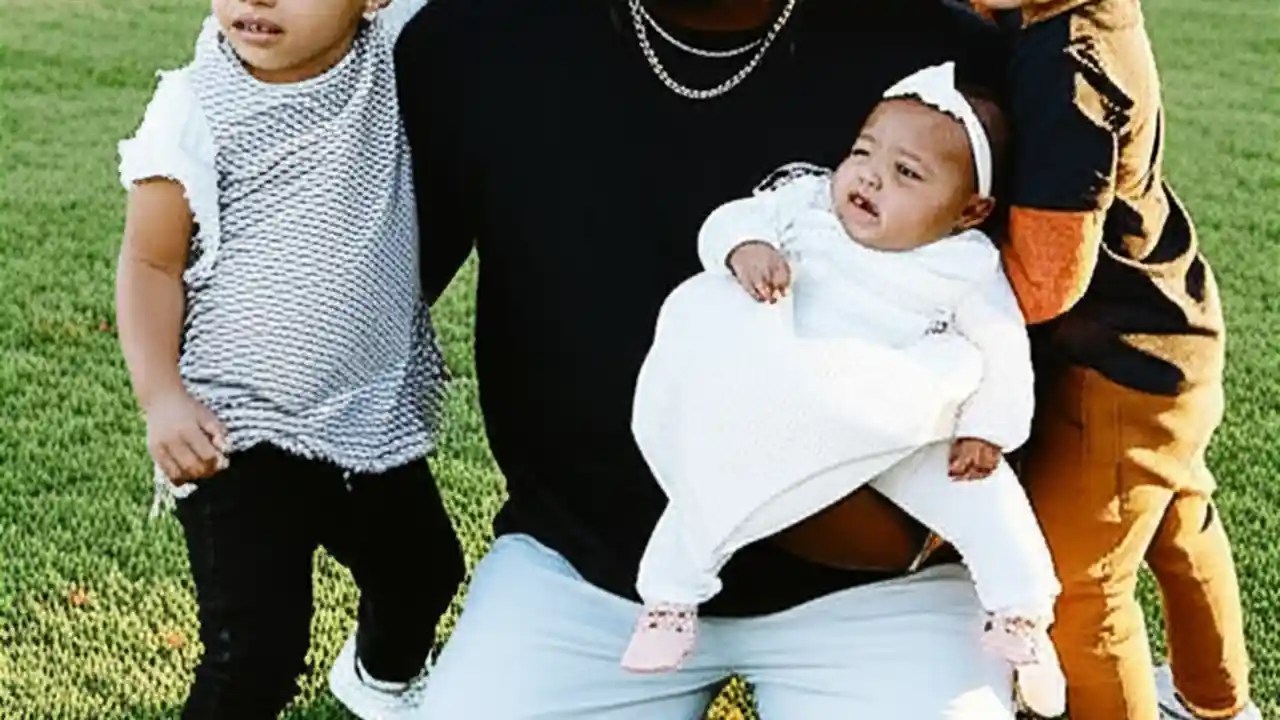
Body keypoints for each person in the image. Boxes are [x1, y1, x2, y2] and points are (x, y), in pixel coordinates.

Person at [394, 1, 1022, 717]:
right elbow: (367, 288)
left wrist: (907, 536)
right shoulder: (474, 37)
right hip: (583, 571)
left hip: (881, 590)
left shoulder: (945, 57)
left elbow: (1038, 336)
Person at [621, 61, 1065, 717]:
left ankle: (1021, 611)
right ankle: (668, 600)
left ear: (970, 211)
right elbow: (732, 218)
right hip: (785, 392)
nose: (869, 177)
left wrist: (988, 428)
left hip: (893, 418)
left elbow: (1002, 346)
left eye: (907, 174)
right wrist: (745, 246)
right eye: (862, 152)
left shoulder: (965, 265)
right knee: (711, 479)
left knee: (985, 501)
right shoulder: (804, 205)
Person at [114, 1, 463, 717]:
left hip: (365, 415)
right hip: (233, 432)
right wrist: (162, 397)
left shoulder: (387, 59)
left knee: (425, 570)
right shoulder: (195, 107)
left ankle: (383, 683)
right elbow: (150, 262)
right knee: (257, 650)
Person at [972, 0, 1260, 718]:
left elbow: (1046, 281)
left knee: (1081, 593)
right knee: (1179, 520)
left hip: (1117, 365)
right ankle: (1216, 704)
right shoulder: (1092, 17)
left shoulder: (1069, 64)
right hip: (1175, 329)